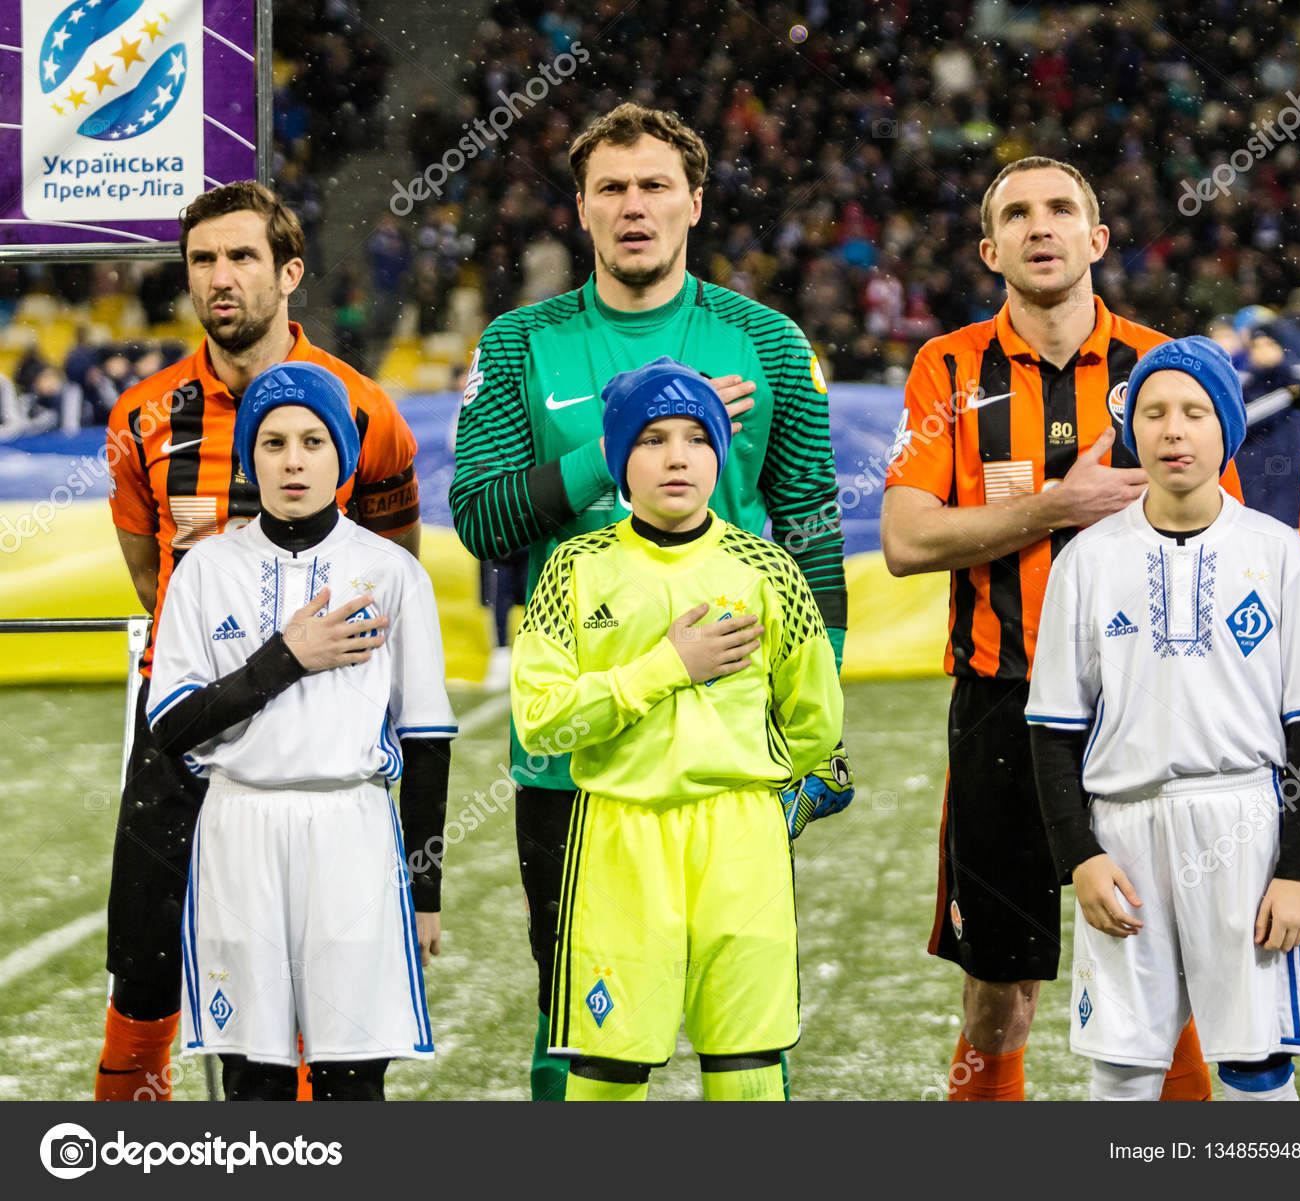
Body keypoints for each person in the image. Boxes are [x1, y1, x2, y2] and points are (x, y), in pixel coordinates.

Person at [449, 103, 849, 1101]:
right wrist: (632, 431)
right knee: (575, 1022)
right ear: (580, 209)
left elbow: (811, 530)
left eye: (655, 185)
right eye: (613, 188)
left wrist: (816, 738)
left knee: (744, 1031)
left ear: (695, 203)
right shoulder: (518, 343)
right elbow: (484, 521)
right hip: (577, 749)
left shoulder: (763, 337)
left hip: (730, 752)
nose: (635, 206)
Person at [881, 155, 1243, 1101]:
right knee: (998, 990)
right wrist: (1056, 506)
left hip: (1149, 711)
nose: (1040, 227)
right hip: (1003, 704)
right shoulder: (949, 368)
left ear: (1097, 239)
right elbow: (908, 538)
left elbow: (1236, 542)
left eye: (1060, 210)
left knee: (1171, 981)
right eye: (1017, 213)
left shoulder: (1165, 369)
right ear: (990, 246)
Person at [99, 181, 421, 1102]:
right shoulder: (143, 417)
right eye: (203, 260)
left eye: (242, 257)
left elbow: (391, 571)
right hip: (180, 737)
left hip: (319, 751)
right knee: (148, 964)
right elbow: (152, 574)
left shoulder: (366, 411)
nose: (220, 278)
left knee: (317, 972)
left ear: (289, 271)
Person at [511, 358, 843, 1101]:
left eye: (697, 436)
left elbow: (816, 715)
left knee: (746, 1063)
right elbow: (538, 722)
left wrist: (768, 793)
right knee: (609, 1066)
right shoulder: (573, 568)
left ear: (720, 454)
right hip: (618, 839)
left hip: (741, 838)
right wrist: (665, 666)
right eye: (652, 438)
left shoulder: (767, 569)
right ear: (620, 459)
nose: (676, 455)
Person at [1027, 336, 1300, 1101]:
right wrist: (1079, 854)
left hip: (1243, 820)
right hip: (1124, 832)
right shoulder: (1088, 559)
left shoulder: (1279, 554)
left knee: (1255, 1061)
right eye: (1155, 412)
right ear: (1132, 429)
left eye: (1196, 412)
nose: (1174, 430)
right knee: (1126, 1064)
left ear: (1227, 430)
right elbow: (1051, 731)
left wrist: (1299, 870)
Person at [147, 362, 453, 1100]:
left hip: (351, 832)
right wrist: (286, 658)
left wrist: (425, 889)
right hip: (238, 828)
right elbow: (172, 725)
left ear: (342, 456)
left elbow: (428, 738)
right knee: (255, 1076)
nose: (292, 459)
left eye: (314, 440)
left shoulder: (390, 572)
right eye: (274, 440)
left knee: (353, 1074)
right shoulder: (205, 569)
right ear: (250, 455)